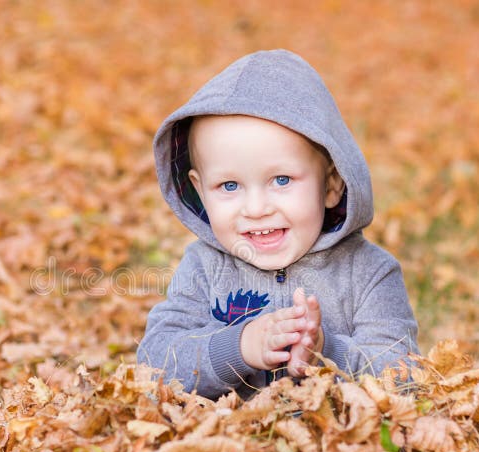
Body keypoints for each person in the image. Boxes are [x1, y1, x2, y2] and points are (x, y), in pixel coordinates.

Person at [138, 49, 418, 399]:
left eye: (281, 180)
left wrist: (327, 354)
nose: (256, 208)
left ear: (331, 184)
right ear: (199, 189)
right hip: (229, 448)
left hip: (338, 450)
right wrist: (238, 347)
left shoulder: (370, 273)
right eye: (229, 186)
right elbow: (152, 366)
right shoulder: (204, 268)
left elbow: (407, 379)